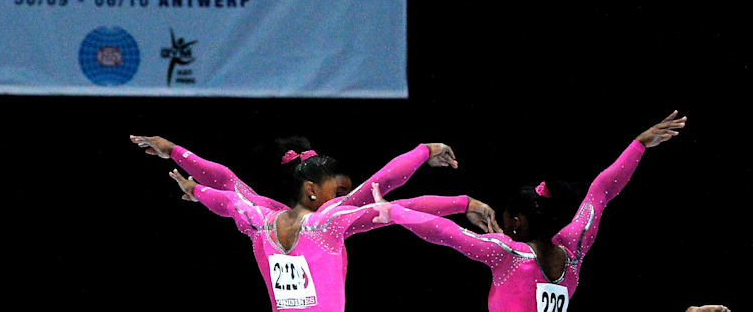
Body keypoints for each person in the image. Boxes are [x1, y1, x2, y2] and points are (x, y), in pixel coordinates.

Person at [130, 135, 501, 311]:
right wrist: (429, 154)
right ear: (310, 189)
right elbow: (388, 191)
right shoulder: (330, 222)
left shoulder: (259, 220)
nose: (342, 193)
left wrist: (188, 177)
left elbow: (227, 191)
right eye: (335, 188)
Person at [370, 111, 687, 312]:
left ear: (517, 222)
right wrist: (639, 145)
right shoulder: (573, 249)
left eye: (505, 218)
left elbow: (445, 232)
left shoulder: (507, 253)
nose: (501, 225)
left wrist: (393, 212)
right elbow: (601, 192)